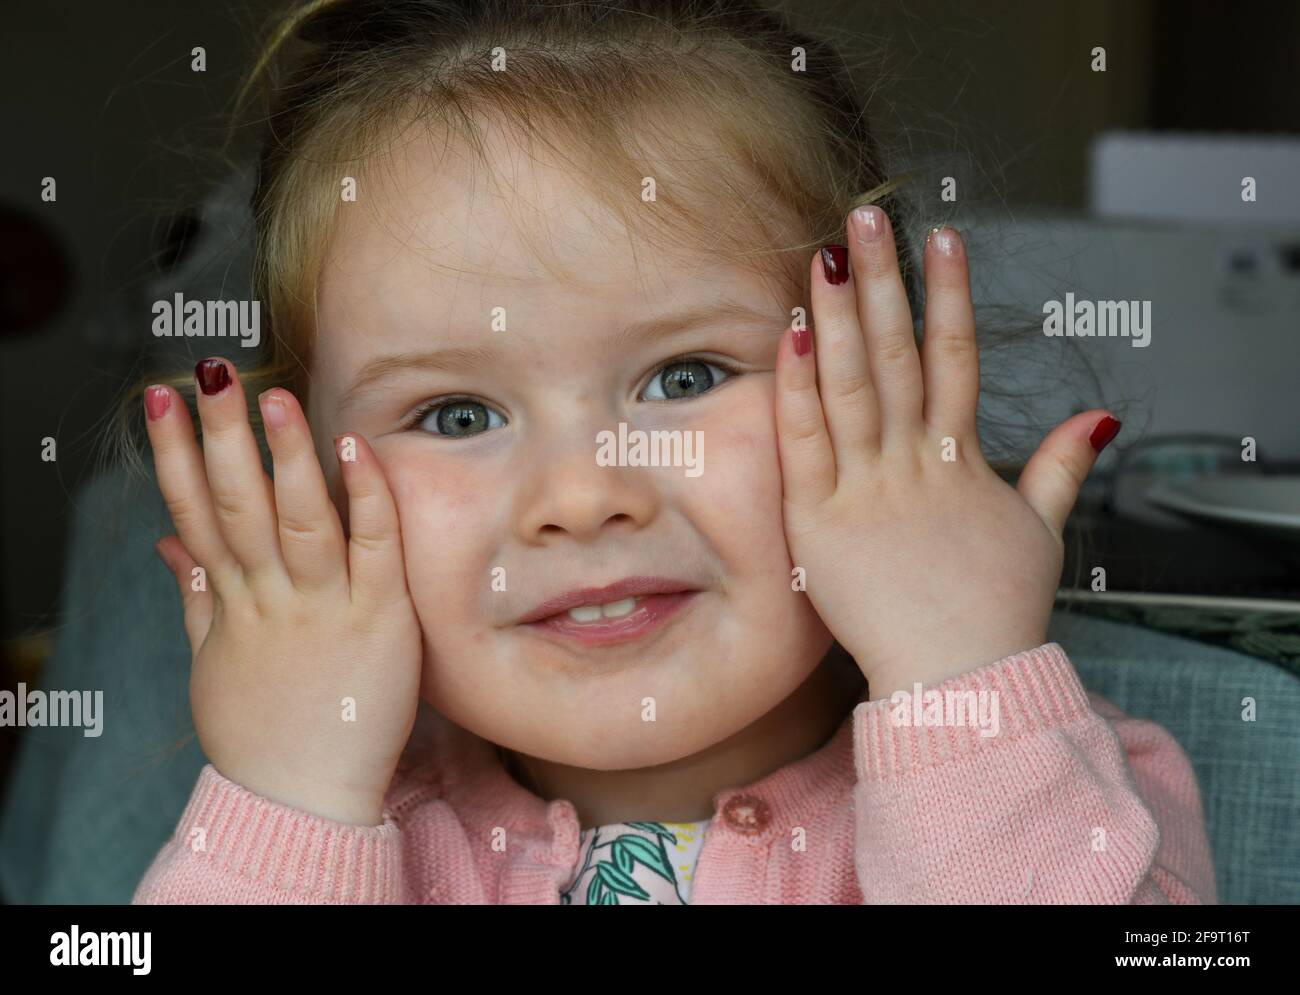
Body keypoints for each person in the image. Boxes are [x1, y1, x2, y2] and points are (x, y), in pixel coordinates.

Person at [127, 0, 1215, 904]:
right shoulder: (318, 836)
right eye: (457, 414)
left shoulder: (1073, 781)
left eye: (684, 377)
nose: (582, 495)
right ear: (306, 493)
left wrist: (960, 673)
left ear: (888, 384)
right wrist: (285, 796)